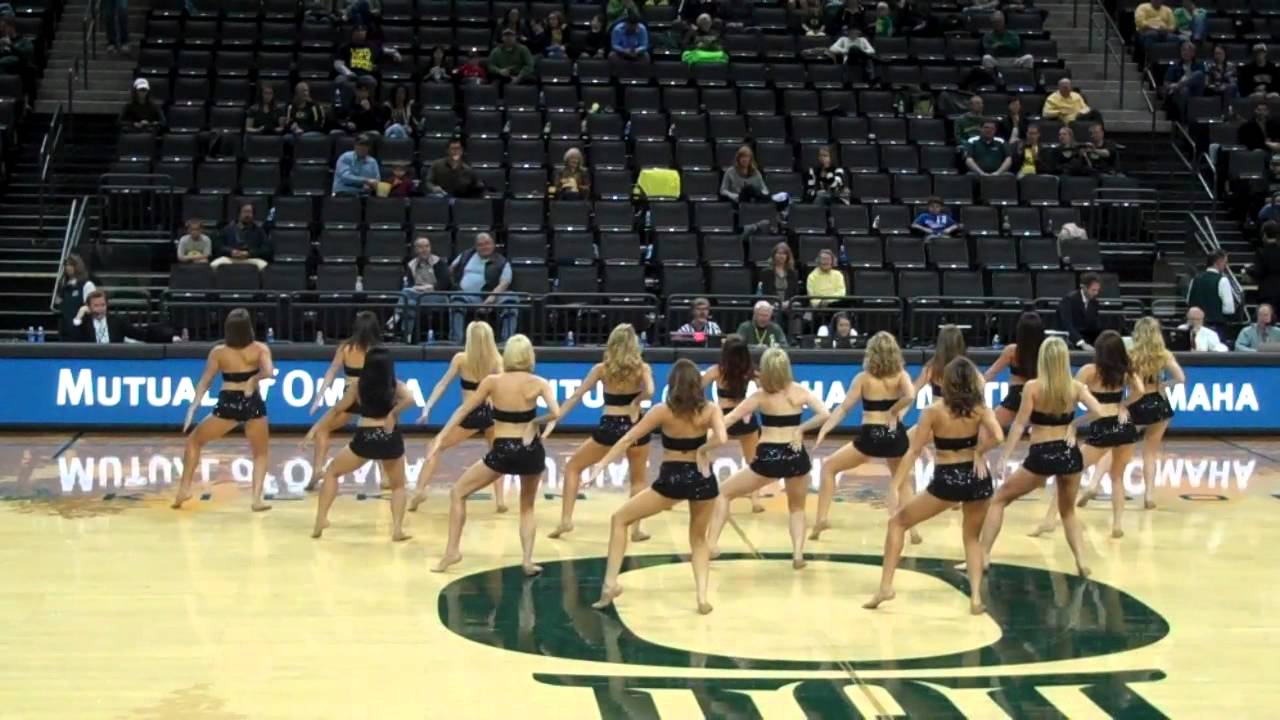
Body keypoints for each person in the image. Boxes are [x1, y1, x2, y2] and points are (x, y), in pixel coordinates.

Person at [863, 358, 1004, 614]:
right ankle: (974, 598)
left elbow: (914, 451)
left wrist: (895, 485)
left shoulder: (933, 411)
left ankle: (886, 587)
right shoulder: (980, 408)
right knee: (972, 538)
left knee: (897, 523)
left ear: (946, 383)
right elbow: (999, 435)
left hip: (947, 480)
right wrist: (979, 452)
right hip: (977, 479)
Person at [588, 359, 727, 614]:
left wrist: (601, 465)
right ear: (698, 385)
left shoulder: (662, 411)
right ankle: (701, 597)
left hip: (672, 480)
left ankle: (609, 584)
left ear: (672, 385)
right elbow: (723, 437)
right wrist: (703, 449)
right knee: (698, 539)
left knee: (619, 519)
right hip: (702, 478)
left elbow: (628, 438)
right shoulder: (710, 410)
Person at [430, 335, 561, 575]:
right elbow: (556, 412)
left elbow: (464, 409)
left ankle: (452, 551)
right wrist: (534, 423)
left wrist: (441, 436)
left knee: (458, 493)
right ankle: (527, 561)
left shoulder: (493, 381)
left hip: (503, 450)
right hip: (531, 449)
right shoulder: (539, 382)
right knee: (527, 507)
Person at [979, 337, 1110, 576]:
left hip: (1042, 454)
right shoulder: (1075, 387)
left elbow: (1019, 425)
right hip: (1069, 454)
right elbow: (1099, 411)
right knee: (1068, 511)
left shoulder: (1033, 387)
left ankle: (984, 556)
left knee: (999, 500)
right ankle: (1081, 560)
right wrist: (1073, 425)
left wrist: (1004, 457)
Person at [707, 348, 830, 567]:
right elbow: (825, 414)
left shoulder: (760, 396)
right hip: (795, 453)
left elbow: (731, 418)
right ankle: (798, 555)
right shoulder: (799, 391)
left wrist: (707, 435)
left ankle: (712, 545)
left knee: (723, 493)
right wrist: (801, 429)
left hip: (769, 455)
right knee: (797, 508)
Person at [547, 324, 655, 539]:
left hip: (611, 427)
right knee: (638, 480)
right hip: (637, 425)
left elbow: (576, 396)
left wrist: (556, 418)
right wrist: (638, 400)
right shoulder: (642, 368)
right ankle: (636, 529)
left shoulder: (602, 369)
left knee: (573, 468)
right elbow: (651, 391)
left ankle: (566, 520)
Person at [811, 331, 915, 540]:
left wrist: (825, 428)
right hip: (896, 434)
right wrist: (895, 411)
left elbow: (844, 408)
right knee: (901, 482)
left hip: (871, 435)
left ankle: (821, 519)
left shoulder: (864, 378)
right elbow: (911, 395)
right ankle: (913, 530)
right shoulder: (901, 375)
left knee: (829, 467)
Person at [308, 348, 415, 541]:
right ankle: (397, 529)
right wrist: (393, 413)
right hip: (390, 436)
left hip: (365, 435)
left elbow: (336, 409)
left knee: (332, 472)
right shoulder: (396, 385)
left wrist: (315, 428)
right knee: (398, 486)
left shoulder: (358, 385)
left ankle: (320, 520)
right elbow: (411, 399)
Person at [171, 309, 273, 511]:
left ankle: (184, 488)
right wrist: (253, 379)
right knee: (260, 453)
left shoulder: (218, 352)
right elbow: (269, 372)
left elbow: (205, 381)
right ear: (249, 329)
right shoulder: (260, 348)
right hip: (252, 401)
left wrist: (193, 406)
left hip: (228, 402)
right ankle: (256, 499)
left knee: (194, 441)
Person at [410, 321, 507, 513]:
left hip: (470, 413)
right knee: (497, 454)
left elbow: (442, 384)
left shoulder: (461, 359)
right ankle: (500, 501)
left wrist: (427, 409)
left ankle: (419, 491)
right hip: (492, 413)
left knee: (434, 447)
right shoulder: (497, 360)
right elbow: (502, 387)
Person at [302, 311, 381, 491]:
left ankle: (317, 468)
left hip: (349, 399)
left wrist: (318, 397)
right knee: (381, 432)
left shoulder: (345, 348)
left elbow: (331, 372)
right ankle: (385, 475)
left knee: (323, 429)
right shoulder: (377, 350)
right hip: (372, 397)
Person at [701, 335, 766, 514]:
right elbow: (767, 389)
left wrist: (705, 406)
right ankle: (755, 501)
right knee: (753, 461)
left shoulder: (717, 371)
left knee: (703, 451)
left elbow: (697, 386)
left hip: (723, 419)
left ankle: (707, 489)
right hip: (745, 417)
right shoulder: (750, 371)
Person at [1127, 316, 1185, 508]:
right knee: (1150, 453)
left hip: (1137, 402)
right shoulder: (1164, 354)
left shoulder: (1131, 354)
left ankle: (1094, 484)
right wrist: (1162, 384)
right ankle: (1149, 494)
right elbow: (1181, 378)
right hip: (1159, 403)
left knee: (1116, 445)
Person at [449, 232, 517, 344]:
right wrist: (456, 286)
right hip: (468, 296)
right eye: (480, 244)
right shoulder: (466, 255)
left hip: (493, 297)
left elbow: (505, 282)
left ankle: (506, 342)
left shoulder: (502, 261)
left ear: (493, 245)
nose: (484, 247)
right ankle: (456, 341)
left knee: (512, 299)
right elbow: (451, 268)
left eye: (487, 243)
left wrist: (491, 298)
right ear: (476, 246)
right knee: (456, 299)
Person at [983, 311, 1045, 429]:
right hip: (1040, 396)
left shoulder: (1012, 350)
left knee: (989, 428)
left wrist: (974, 388)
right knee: (1041, 434)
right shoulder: (1046, 351)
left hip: (1016, 396)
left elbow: (991, 372)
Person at [392, 236, 450, 341]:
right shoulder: (411, 265)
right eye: (421, 247)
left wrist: (429, 288)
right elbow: (409, 284)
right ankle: (408, 336)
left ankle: (396, 316)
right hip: (417, 297)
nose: (424, 250)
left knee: (406, 293)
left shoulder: (438, 262)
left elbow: (445, 283)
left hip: (438, 296)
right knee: (410, 303)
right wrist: (419, 289)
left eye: (427, 246)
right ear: (415, 250)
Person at [333, 25, 402, 99]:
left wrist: (395, 53)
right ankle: (339, 105)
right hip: (348, 74)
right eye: (357, 31)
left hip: (365, 74)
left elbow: (385, 51)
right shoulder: (345, 47)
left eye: (362, 31)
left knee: (371, 81)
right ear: (353, 34)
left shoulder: (371, 46)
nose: (360, 33)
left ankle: (368, 105)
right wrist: (348, 73)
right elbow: (338, 63)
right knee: (338, 80)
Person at [721, 145, 790, 211]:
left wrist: (762, 195)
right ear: (738, 158)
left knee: (755, 192)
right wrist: (733, 195)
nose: (745, 159)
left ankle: (774, 202)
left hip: (754, 200)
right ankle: (773, 201)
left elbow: (764, 189)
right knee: (748, 188)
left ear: (750, 159)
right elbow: (723, 190)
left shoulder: (755, 172)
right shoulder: (730, 171)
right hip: (737, 201)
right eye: (742, 157)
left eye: (747, 157)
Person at [1186, 249, 1236, 338]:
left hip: (1196, 326)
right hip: (1216, 327)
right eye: (1225, 262)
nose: (1225, 266)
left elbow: (1189, 301)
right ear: (1219, 262)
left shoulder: (1195, 279)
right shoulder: (1222, 280)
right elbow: (1229, 309)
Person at [70, 290, 146, 343]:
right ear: (88, 307)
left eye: (103, 305)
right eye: (96, 306)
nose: (100, 309)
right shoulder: (85, 323)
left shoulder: (118, 321)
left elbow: (138, 334)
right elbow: (72, 338)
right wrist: (79, 315)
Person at [214, 203, 272, 270]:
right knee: (214, 265)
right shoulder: (227, 229)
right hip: (231, 258)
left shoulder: (259, 231)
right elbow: (219, 246)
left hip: (250, 259)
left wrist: (249, 253)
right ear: (239, 214)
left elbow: (266, 249)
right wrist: (231, 251)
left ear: (253, 214)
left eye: (249, 212)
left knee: (264, 266)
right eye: (244, 212)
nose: (247, 215)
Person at [1057, 271, 1102, 350]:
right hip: (1070, 341)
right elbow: (1067, 325)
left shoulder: (1095, 303)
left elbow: (1093, 327)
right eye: (1093, 290)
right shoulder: (1069, 300)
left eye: (1097, 290)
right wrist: (1082, 343)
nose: (1096, 293)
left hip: (1087, 340)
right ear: (1083, 287)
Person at [1163, 41, 1207, 120]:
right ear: (1180, 52)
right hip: (1179, 93)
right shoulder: (1175, 66)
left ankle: (1180, 85)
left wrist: (1179, 84)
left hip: (1196, 91)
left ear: (1193, 53)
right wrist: (1174, 86)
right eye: (1183, 50)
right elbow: (1166, 84)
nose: (1186, 52)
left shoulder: (1199, 65)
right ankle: (1183, 119)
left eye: (1189, 50)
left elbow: (1202, 80)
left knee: (1198, 74)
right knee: (1185, 90)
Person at [56, 254, 96, 340]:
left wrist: (81, 314)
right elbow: (59, 305)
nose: (68, 267)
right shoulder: (64, 286)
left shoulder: (87, 284)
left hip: (81, 330)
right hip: (65, 329)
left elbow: (92, 307)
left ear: (78, 266)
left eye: (70, 265)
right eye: (66, 265)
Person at [757, 242, 800, 310]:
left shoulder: (793, 273)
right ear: (774, 255)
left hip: (788, 304)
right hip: (772, 304)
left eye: (784, 254)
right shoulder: (766, 272)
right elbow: (766, 293)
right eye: (779, 253)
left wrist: (787, 303)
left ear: (787, 256)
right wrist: (776, 303)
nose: (781, 256)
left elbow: (795, 293)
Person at [1249, 222, 1280, 309]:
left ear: (1264, 234)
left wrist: (1248, 270)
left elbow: (1259, 272)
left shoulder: (1262, 252)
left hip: (1268, 293)